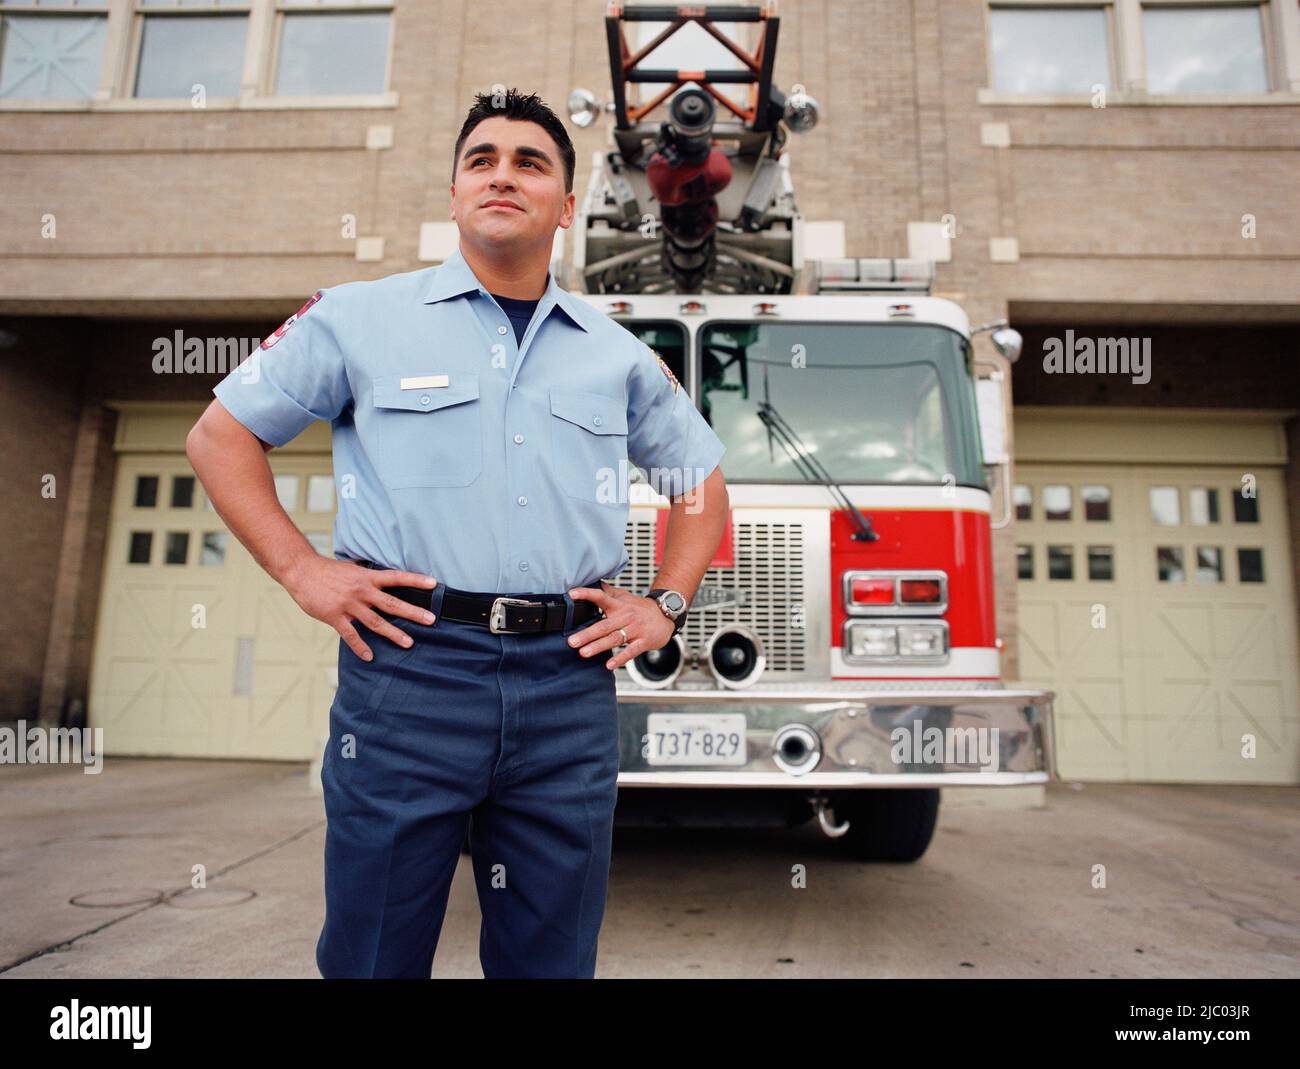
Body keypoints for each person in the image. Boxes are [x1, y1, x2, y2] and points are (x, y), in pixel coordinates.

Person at [186, 88, 729, 978]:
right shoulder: (359, 318)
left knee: (551, 960)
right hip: (409, 671)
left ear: (565, 200)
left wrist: (665, 604)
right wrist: (302, 571)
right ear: (453, 195)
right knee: (372, 955)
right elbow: (220, 435)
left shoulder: (616, 351)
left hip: (567, 683)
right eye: (481, 160)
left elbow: (700, 484)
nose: (502, 176)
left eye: (529, 162)